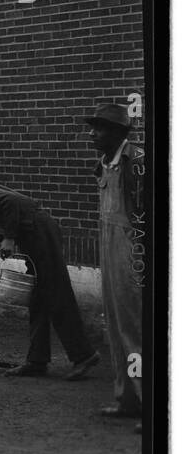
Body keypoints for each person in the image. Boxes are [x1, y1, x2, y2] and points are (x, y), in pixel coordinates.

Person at [0, 183, 100, 381]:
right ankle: (36, 361)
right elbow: (7, 218)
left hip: (40, 232)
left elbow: (11, 202)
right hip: (34, 234)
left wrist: (9, 239)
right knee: (38, 300)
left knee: (57, 294)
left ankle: (84, 355)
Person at [86, 104, 146, 429]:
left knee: (134, 328)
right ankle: (127, 399)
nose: (93, 134)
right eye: (93, 127)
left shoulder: (136, 162)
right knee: (115, 325)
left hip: (131, 250)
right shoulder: (104, 165)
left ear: (119, 132)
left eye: (100, 128)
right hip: (108, 245)